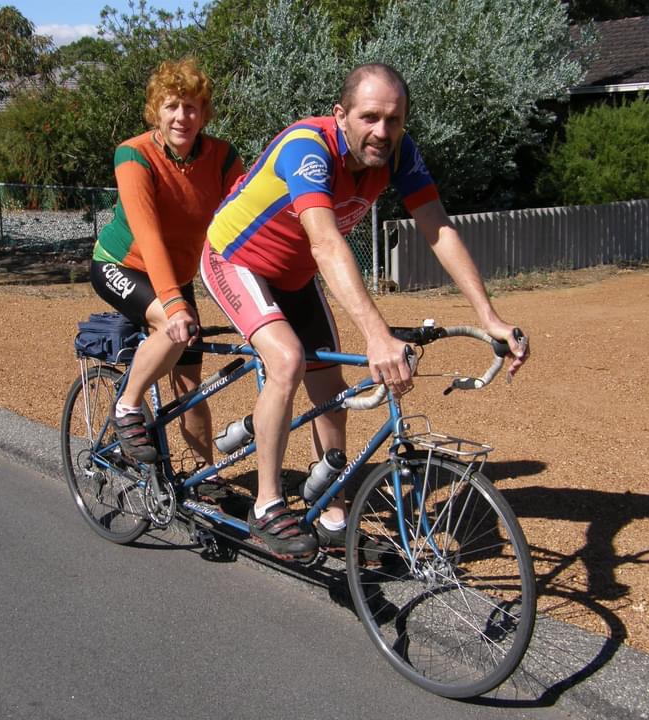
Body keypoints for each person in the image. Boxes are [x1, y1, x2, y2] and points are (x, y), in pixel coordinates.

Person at [200, 63, 529, 560]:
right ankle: (267, 505)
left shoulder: (399, 153)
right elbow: (326, 242)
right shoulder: (308, 148)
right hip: (235, 259)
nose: (382, 131)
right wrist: (376, 335)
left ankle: (333, 513)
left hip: (295, 274)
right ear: (341, 115)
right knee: (286, 360)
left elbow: (437, 228)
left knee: (330, 389)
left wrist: (489, 315)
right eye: (369, 117)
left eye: (394, 119)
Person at [90, 58, 244, 484]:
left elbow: (245, 224)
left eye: (191, 107)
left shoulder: (222, 157)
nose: (181, 116)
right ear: (155, 111)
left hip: (175, 277)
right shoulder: (134, 154)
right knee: (171, 327)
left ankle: (204, 476)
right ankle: (127, 407)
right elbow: (149, 234)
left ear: (204, 114)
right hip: (121, 266)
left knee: (189, 384)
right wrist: (174, 306)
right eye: (171, 106)